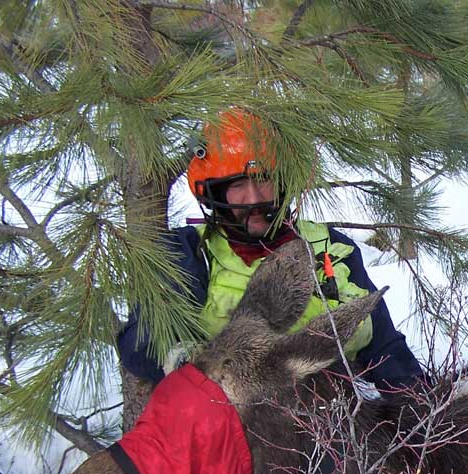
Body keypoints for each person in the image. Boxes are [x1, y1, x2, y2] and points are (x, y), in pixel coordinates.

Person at [118, 108, 423, 417]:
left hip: (330, 428)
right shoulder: (190, 253)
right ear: (213, 193)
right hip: (230, 431)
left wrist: (422, 412)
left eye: (263, 179)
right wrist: (190, 362)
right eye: (237, 185)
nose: (253, 198)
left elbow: (386, 350)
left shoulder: (334, 247)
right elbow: (136, 346)